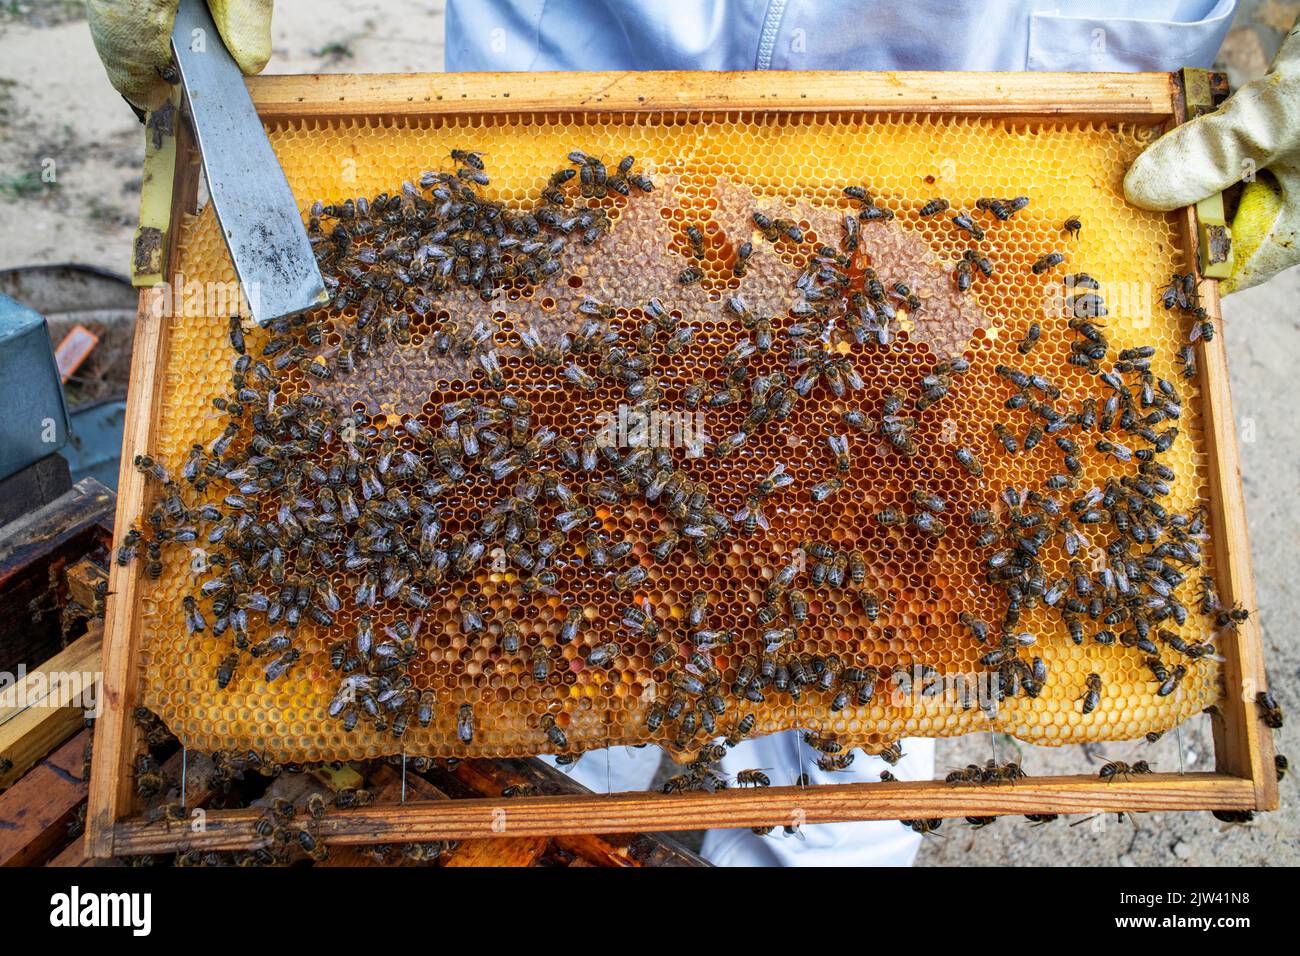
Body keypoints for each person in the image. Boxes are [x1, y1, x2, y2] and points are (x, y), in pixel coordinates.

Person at [85, 0, 1297, 864]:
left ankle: (806, 818)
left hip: (985, 150)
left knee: (861, 662)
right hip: (574, 100)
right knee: (552, 694)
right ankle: (577, 782)